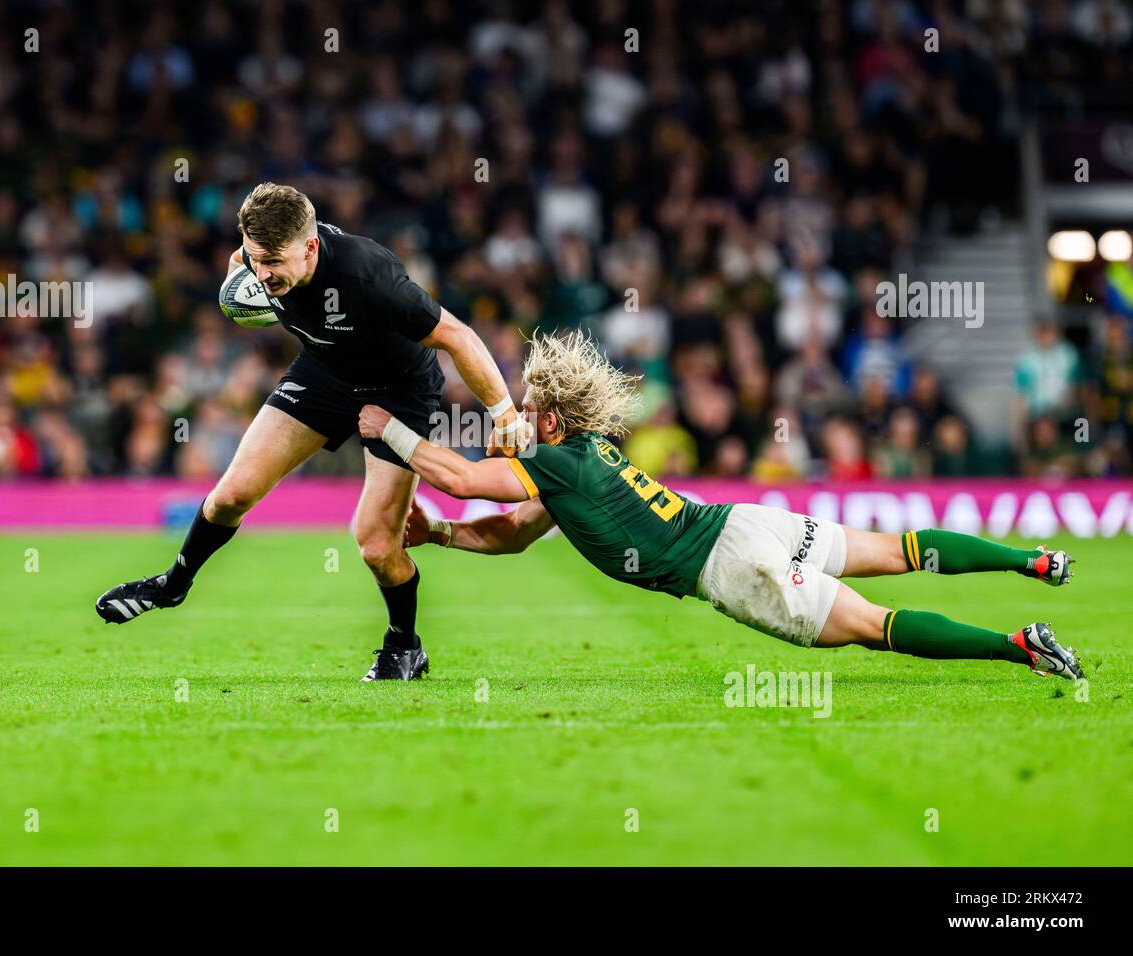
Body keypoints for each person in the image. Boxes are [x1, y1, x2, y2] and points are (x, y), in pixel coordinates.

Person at [357, 332, 1084, 680]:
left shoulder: (552, 462)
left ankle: (1019, 646)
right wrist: (441, 536)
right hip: (745, 519)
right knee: (901, 552)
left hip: (733, 566)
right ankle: (1033, 560)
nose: (513, 416)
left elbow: (458, 476)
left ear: (549, 420)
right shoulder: (580, 462)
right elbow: (514, 534)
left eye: (523, 407)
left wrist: (389, 429)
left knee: (876, 626)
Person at [95, 183, 531, 681]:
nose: (262, 273)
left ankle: (404, 645)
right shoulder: (257, 258)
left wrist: (505, 416)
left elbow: (459, 336)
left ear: (310, 247)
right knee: (230, 495)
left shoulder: (367, 274)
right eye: (256, 258)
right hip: (325, 373)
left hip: (399, 390)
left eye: (272, 262)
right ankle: (172, 584)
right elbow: (239, 267)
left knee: (376, 545)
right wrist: (244, 287)